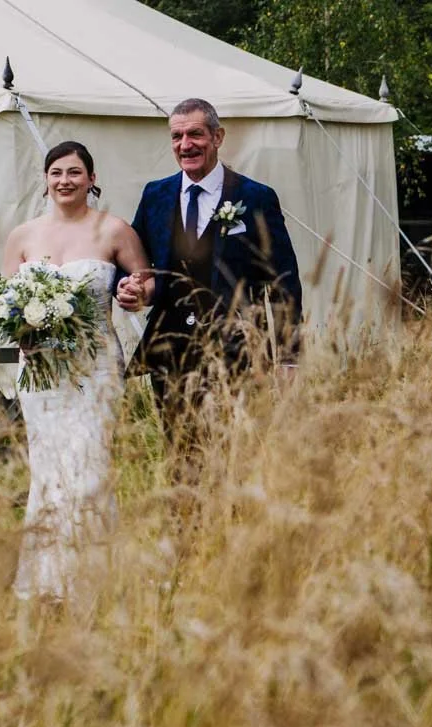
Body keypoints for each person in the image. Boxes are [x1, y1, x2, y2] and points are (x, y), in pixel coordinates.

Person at [1, 141, 150, 603]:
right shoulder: (22, 236)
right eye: (56, 173)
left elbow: (145, 281)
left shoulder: (114, 230)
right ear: (45, 179)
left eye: (74, 172)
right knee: (49, 471)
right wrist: (20, 328)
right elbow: (7, 304)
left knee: (87, 468)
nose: (65, 180)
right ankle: (47, 580)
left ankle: (93, 578)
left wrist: (133, 290)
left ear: (91, 178)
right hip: (42, 371)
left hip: (95, 367)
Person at [115, 98, 302, 466]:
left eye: (196, 134)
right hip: (170, 349)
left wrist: (289, 356)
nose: (186, 145)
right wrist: (129, 286)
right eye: (177, 136)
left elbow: (283, 281)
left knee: (233, 453)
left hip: (239, 349)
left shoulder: (255, 197)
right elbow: (134, 259)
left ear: (218, 137)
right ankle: (185, 522)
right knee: (179, 451)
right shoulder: (156, 195)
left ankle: (232, 521)